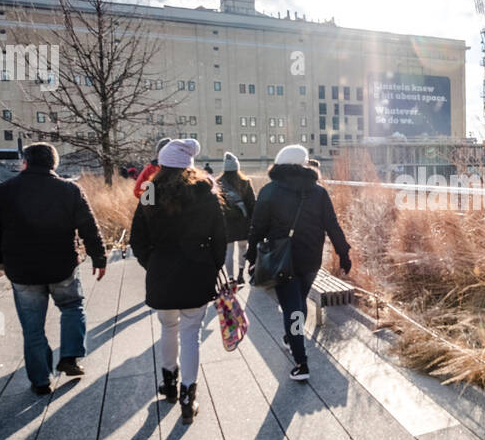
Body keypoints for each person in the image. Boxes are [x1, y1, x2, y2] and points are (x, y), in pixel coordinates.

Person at [0, 142, 107, 395]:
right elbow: (89, 228)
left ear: (25, 162)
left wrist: (2, 257)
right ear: (54, 164)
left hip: (22, 270)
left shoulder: (2, 192)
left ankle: (40, 380)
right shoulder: (69, 190)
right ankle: (69, 357)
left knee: (32, 326)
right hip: (62, 265)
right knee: (72, 307)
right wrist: (99, 258)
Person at [129, 138, 226, 424]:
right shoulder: (205, 192)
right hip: (197, 272)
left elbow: (138, 239)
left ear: (162, 164)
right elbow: (219, 239)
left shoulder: (149, 192)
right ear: (189, 165)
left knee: (167, 327)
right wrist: (211, 267)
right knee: (191, 333)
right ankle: (188, 396)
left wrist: (153, 263)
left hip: (162, 271)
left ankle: (169, 383)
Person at [246, 144, 351, 382]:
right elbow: (332, 225)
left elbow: (257, 228)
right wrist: (343, 254)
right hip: (311, 257)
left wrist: (252, 256)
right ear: (303, 165)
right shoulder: (318, 192)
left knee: (292, 307)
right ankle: (293, 338)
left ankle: (301, 360)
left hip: (282, 259)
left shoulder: (270, 191)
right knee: (299, 301)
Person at [216, 152, 256, 284]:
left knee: (229, 251)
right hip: (243, 222)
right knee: (243, 248)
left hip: (226, 223)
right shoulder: (245, 182)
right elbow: (252, 204)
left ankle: (231, 278)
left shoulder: (218, 183)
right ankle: (240, 274)